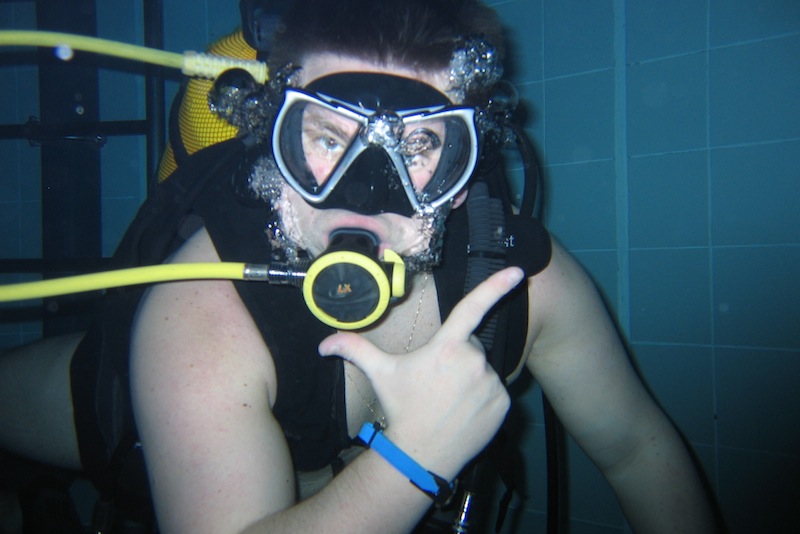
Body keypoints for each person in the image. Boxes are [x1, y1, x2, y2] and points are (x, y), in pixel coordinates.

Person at [0, 0, 719, 532]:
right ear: (272, 141)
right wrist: (412, 461)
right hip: (112, 411)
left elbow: (636, 450)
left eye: (416, 149)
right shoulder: (201, 309)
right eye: (327, 136)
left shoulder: (519, 284)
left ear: (464, 171)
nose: (365, 195)